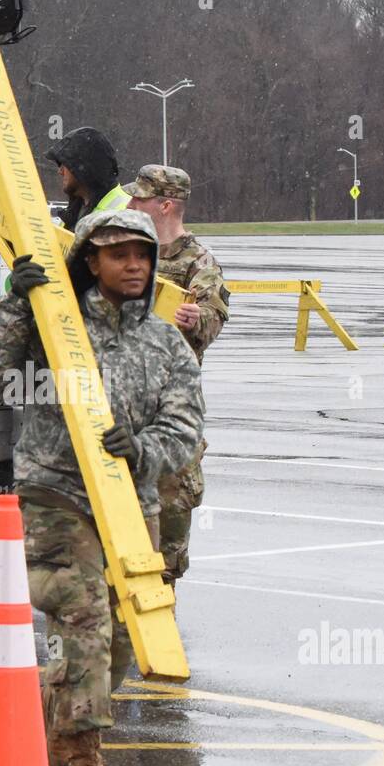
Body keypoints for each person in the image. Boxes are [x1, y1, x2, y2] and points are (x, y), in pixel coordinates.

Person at [0, 208, 203, 766]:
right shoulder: (54, 324)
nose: (134, 265)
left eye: (143, 255)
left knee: (125, 636)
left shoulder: (164, 340)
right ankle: (84, 763)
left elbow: (185, 424)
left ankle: (59, 731)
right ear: (91, 260)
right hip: (57, 494)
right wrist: (13, 306)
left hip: (129, 500)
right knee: (85, 622)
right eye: (119, 253)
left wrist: (145, 448)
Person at [126, 164, 229, 583]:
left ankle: (162, 606)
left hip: (171, 406)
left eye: (141, 198)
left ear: (165, 205)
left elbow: (214, 316)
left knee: (170, 507)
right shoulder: (130, 253)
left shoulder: (198, 261)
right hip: (125, 402)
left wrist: (195, 318)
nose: (131, 204)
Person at [45, 126, 130, 229]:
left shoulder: (126, 215)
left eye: (64, 164)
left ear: (82, 168)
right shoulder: (73, 213)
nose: (60, 171)